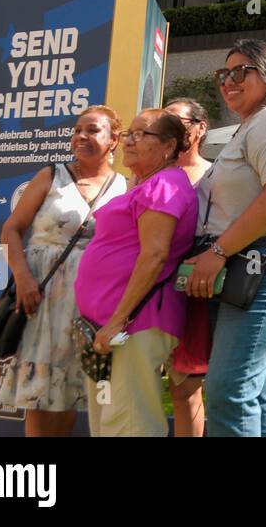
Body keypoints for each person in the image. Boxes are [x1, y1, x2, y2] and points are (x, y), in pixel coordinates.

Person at [185, 38, 266, 437]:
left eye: (242, 71)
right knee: (255, 388)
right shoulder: (252, 125)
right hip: (252, 260)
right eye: (223, 74)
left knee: (228, 387)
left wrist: (217, 250)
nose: (230, 80)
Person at [0, 106, 127, 436]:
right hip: (42, 298)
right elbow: (11, 230)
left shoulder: (124, 186)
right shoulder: (51, 176)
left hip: (91, 303)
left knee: (71, 388)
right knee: (39, 392)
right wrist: (24, 277)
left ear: (114, 140)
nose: (81, 136)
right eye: (77, 130)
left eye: (92, 130)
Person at [74, 109, 199, 437]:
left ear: (169, 146)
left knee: (129, 422)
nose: (129, 140)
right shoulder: (145, 186)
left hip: (132, 325)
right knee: (107, 421)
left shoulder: (165, 184)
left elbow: (155, 255)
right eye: (129, 133)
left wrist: (118, 319)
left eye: (142, 134)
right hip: (105, 329)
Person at [164, 97, 213, 438]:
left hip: (192, 287)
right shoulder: (149, 174)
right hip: (148, 287)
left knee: (185, 388)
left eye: (178, 121)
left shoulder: (214, 175)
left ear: (200, 128)